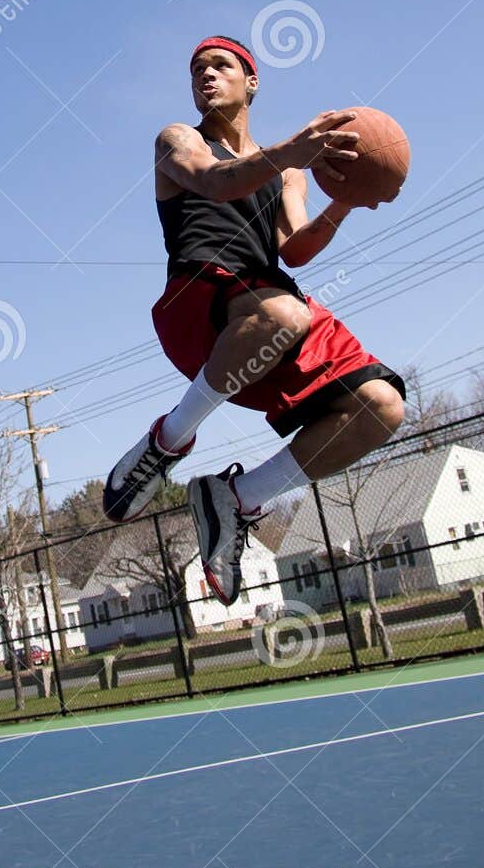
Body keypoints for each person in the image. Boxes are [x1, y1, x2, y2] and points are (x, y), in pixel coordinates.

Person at [103, 34, 405, 606]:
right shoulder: (179, 139)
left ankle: (238, 499)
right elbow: (216, 182)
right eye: (198, 69)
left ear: (252, 82)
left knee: (381, 407)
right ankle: (168, 441)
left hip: (270, 305)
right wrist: (291, 150)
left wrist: (346, 201)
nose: (206, 75)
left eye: (221, 65)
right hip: (199, 302)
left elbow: (295, 249)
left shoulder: (287, 172)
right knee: (282, 312)